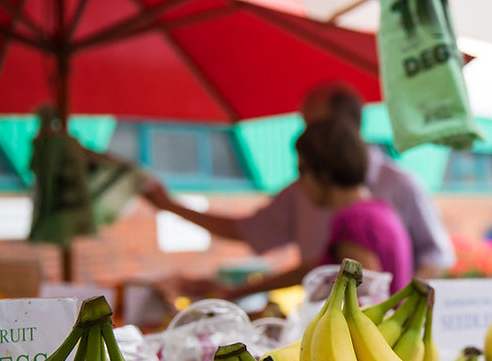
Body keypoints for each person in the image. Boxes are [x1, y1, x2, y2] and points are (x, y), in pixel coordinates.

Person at [143, 83, 453, 299]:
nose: (305, 131)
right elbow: (310, 263)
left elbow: (362, 297)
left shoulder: (359, 215)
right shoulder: (374, 207)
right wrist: (170, 206)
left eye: (311, 126)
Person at [297, 118, 412, 293]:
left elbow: (366, 296)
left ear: (324, 173)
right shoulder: (380, 209)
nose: (300, 182)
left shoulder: (352, 220)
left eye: (301, 170)